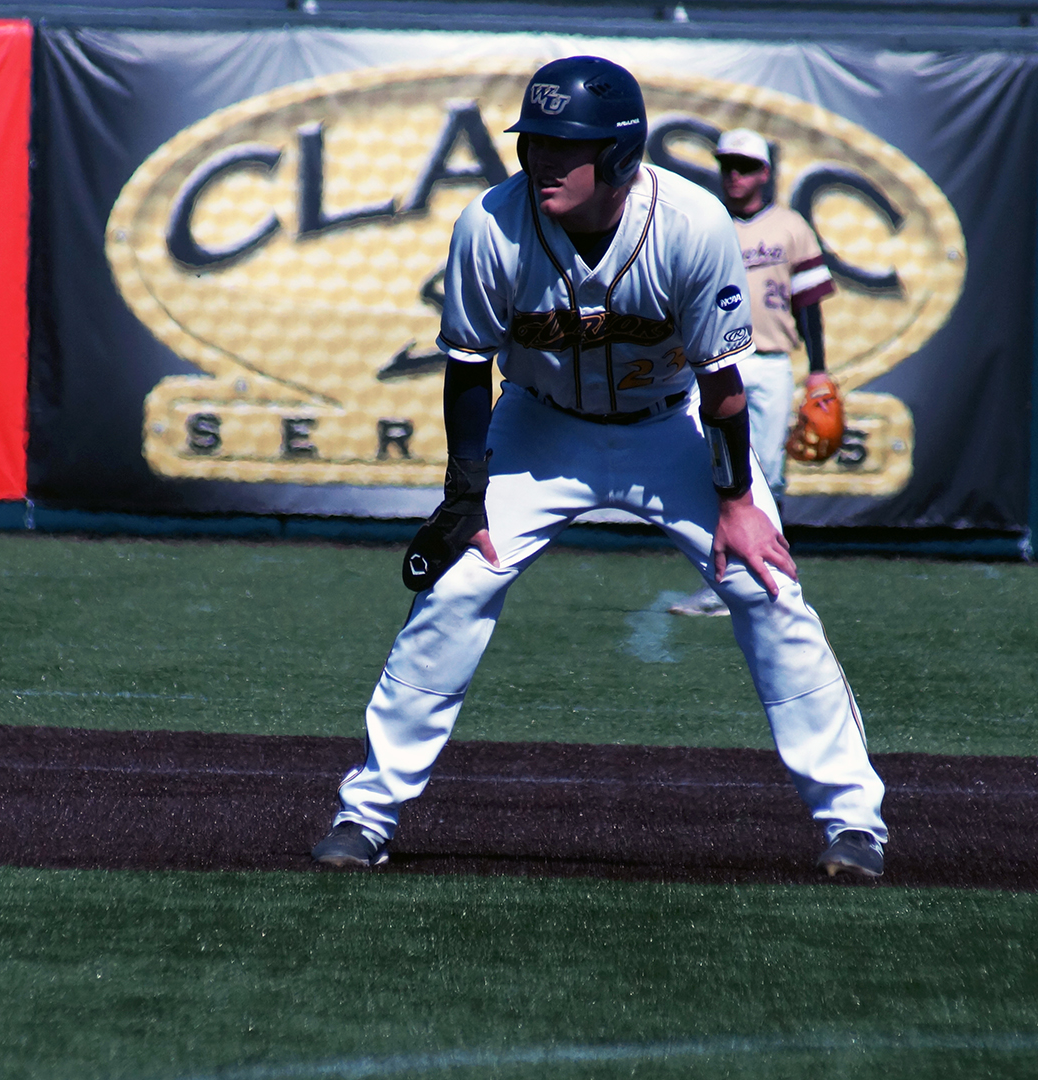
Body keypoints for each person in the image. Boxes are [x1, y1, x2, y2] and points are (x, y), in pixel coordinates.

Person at [309, 57, 886, 880]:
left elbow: (722, 388)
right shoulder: (490, 225)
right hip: (541, 429)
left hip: (672, 427)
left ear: (618, 156)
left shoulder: (691, 224)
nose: (540, 160)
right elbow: (469, 371)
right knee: (456, 587)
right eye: (534, 142)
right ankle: (364, 815)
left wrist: (735, 500)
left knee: (766, 587)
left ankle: (853, 822)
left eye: (563, 146)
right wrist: (465, 498)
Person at [668, 127, 839, 618]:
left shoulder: (790, 226)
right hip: (714, 362)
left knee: (765, 477)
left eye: (744, 166)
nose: (734, 175)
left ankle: (765, 581)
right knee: (718, 475)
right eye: (727, 166)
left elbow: (808, 306)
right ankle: (724, 583)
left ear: (765, 172)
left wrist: (819, 372)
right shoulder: (705, 220)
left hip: (769, 363)